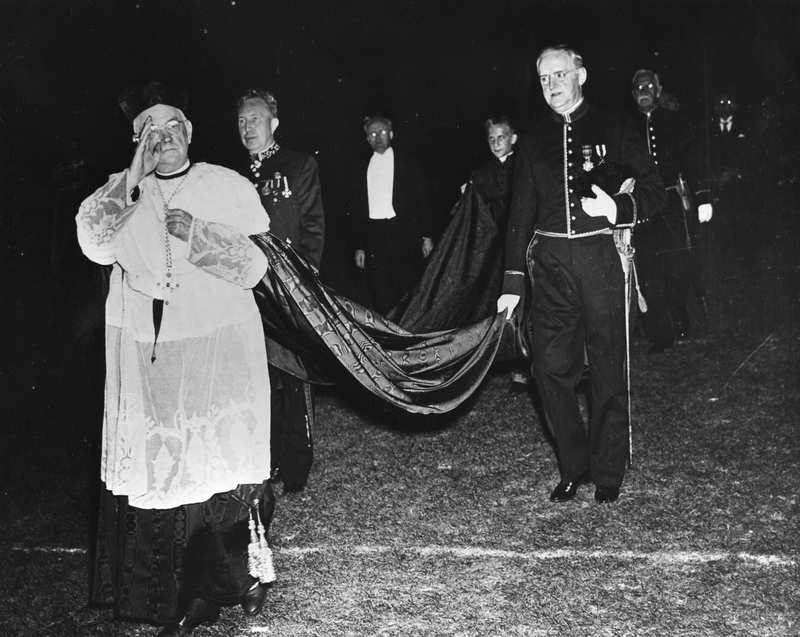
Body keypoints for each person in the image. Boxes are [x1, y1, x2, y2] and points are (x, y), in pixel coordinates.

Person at [77, 82, 275, 637]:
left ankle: (241, 582)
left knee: (222, 468)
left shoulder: (225, 185)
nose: (161, 138)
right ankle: (189, 597)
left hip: (218, 342)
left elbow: (253, 268)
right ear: (136, 141)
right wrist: (131, 180)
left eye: (170, 126)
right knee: (171, 471)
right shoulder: (119, 193)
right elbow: (92, 242)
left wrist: (200, 235)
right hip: (150, 350)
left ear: (188, 131)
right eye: (147, 131)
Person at [497, 46, 666, 504]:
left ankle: (608, 473)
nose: (552, 86)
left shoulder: (615, 127)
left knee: (610, 367)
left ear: (582, 75)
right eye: (544, 79)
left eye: (559, 75)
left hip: (601, 261)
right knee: (549, 368)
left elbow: (655, 192)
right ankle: (574, 465)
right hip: (550, 266)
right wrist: (512, 284)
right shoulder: (530, 142)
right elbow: (519, 216)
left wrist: (618, 208)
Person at [236, 88, 323, 494]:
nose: (247, 127)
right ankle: (264, 459)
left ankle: (295, 463)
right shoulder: (232, 175)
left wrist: (304, 284)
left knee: (291, 373)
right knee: (256, 375)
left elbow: (313, 228)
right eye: (241, 120)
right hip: (244, 289)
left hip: (287, 288)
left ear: (273, 123)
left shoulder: (299, 165)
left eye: (254, 119)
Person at [629, 69, 712, 352]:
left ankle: (679, 313)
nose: (644, 91)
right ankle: (660, 334)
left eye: (649, 86)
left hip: (671, 204)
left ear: (659, 89)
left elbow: (692, 161)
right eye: (639, 87)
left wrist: (703, 198)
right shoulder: (627, 129)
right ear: (633, 93)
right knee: (648, 270)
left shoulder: (676, 122)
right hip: (640, 207)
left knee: (678, 267)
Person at [468, 117, 531, 392]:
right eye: (491, 139)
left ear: (513, 138)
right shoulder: (480, 173)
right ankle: (493, 362)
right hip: (494, 250)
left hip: (523, 245)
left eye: (501, 137)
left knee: (525, 304)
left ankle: (523, 368)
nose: (496, 143)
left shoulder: (526, 166)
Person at [351, 115, 435, 315]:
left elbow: (423, 201)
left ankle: (408, 332)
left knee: (408, 288)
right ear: (366, 139)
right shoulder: (360, 170)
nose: (377, 138)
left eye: (381, 132)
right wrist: (359, 246)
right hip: (375, 237)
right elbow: (355, 212)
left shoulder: (408, 163)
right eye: (372, 134)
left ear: (391, 134)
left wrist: (427, 235)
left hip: (405, 233)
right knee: (380, 290)